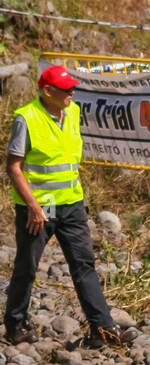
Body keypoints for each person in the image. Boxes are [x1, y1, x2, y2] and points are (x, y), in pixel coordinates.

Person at [4, 65, 120, 347]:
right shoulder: (27, 118)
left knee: (84, 265)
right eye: (66, 89)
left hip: (71, 205)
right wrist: (33, 207)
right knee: (26, 268)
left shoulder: (74, 112)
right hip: (39, 211)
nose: (72, 93)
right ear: (48, 91)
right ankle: (15, 325)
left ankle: (102, 328)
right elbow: (13, 167)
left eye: (72, 88)